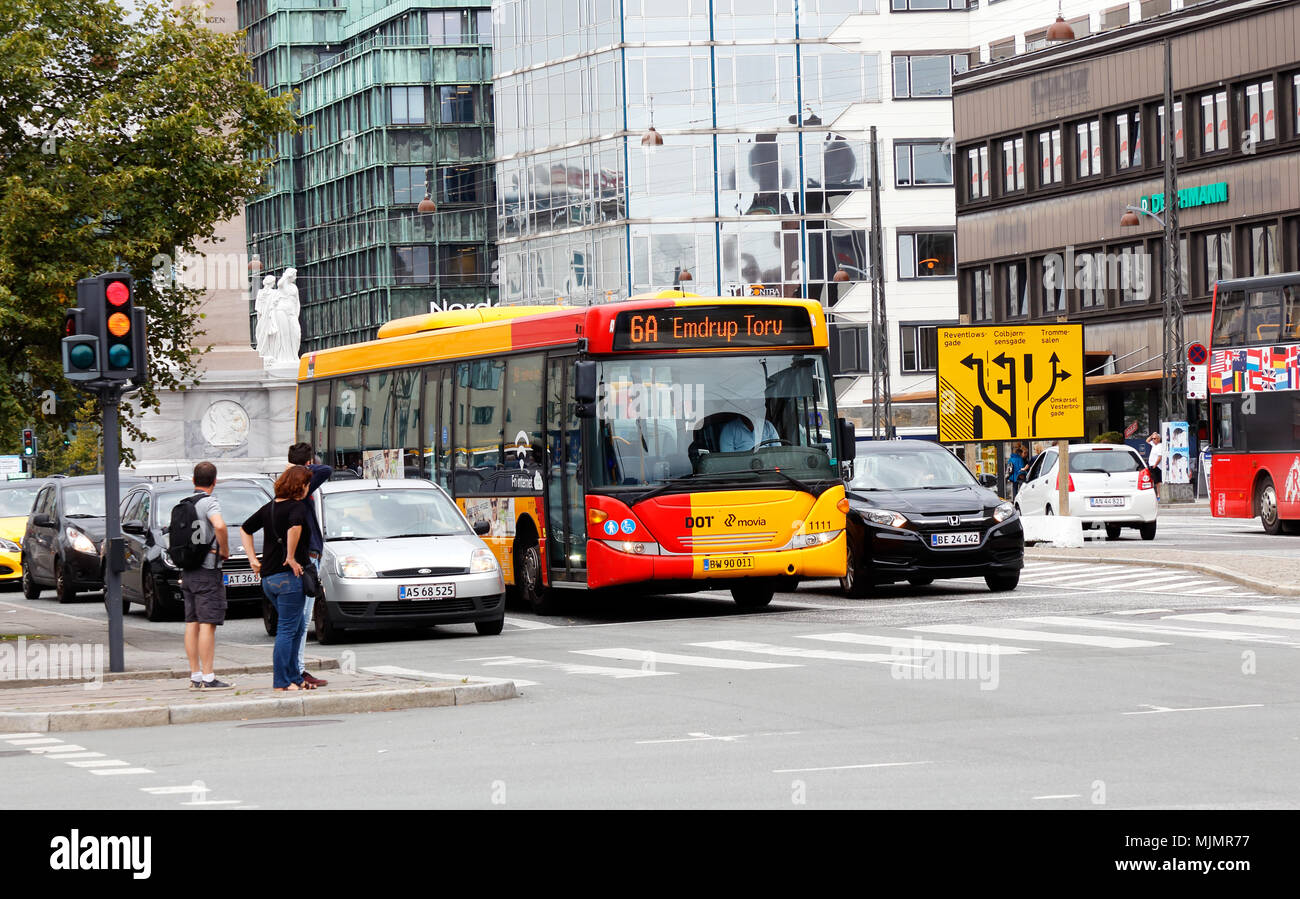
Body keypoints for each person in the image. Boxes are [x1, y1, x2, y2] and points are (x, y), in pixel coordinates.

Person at [241, 466, 315, 691]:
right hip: (289, 578)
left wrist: (253, 559)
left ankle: (295, 678)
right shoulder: (298, 507)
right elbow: (295, 526)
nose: (308, 488)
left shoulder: (270, 507)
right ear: (301, 486)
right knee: (287, 629)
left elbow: (245, 529)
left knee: (297, 627)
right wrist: (291, 557)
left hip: (269, 579)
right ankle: (281, 681)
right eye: (307, 484)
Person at [182, 462, 233, 690]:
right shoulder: (209, 502)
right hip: (207, 570)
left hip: (188, 570)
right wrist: (224, 550)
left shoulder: (184, 503)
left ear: (194, 480)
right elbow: (219, 526)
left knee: (191, 623)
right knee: (207, 624)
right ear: (215, 481)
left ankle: (195, 675)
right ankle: (209, 676)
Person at [287, 442, 333, 688]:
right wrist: (304, 467)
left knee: (299, 618)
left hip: (304, 554)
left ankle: (295, 668)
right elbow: (326, 470)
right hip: (308, 555)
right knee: (303, 618)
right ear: (308, 463)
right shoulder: (301, 484)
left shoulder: (287, 485)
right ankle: (298, 669)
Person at [1146, 432, 1165, 499]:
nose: (1153, 440)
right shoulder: (1154, 445)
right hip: (1152, 465)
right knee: (1154, 481)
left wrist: (1155, 465)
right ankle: (1157, 494)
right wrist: (1152, 435)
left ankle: (1159, 495)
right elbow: (1147, 440)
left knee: (1158, 482)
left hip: (1157, 466)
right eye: (1153, 439)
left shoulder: (1160, 446)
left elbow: (1160, 457)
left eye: (1155, 438)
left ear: (1158, 439)